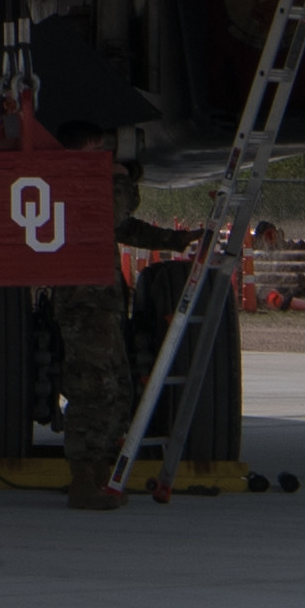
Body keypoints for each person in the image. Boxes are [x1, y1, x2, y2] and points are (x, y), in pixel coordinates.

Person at [57, 194, 213, 509]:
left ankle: (101, 471)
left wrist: (175, 239)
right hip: (85, 305)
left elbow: (123, 226)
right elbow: (115, 216)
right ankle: (83, 477)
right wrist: (120, 178)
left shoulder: (98, 204)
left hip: (104, 305)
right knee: (92, 387)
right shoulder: (76, 192)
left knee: (117, 388)